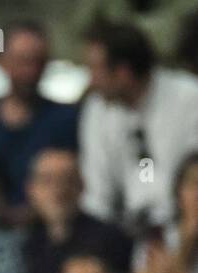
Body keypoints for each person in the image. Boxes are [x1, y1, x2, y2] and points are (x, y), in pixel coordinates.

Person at [79, 18, 198, 237]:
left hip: (186, 228)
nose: (91, 81)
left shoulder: (190, 98)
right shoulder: (97, 109)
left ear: (123, 73)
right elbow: (97, 192)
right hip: (126, 231)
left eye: (96, 70)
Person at [0, 19, 79, 208]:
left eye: (38, 62)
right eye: (23, 61)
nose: (31, 71)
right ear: (2, 62)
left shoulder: (66, 119)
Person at [23, 147, 133, 273]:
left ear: (82, 185)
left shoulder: (111, 239)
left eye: (67, 180)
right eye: (47, 180)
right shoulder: (21, 240)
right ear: (31, 189)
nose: (58, 190)